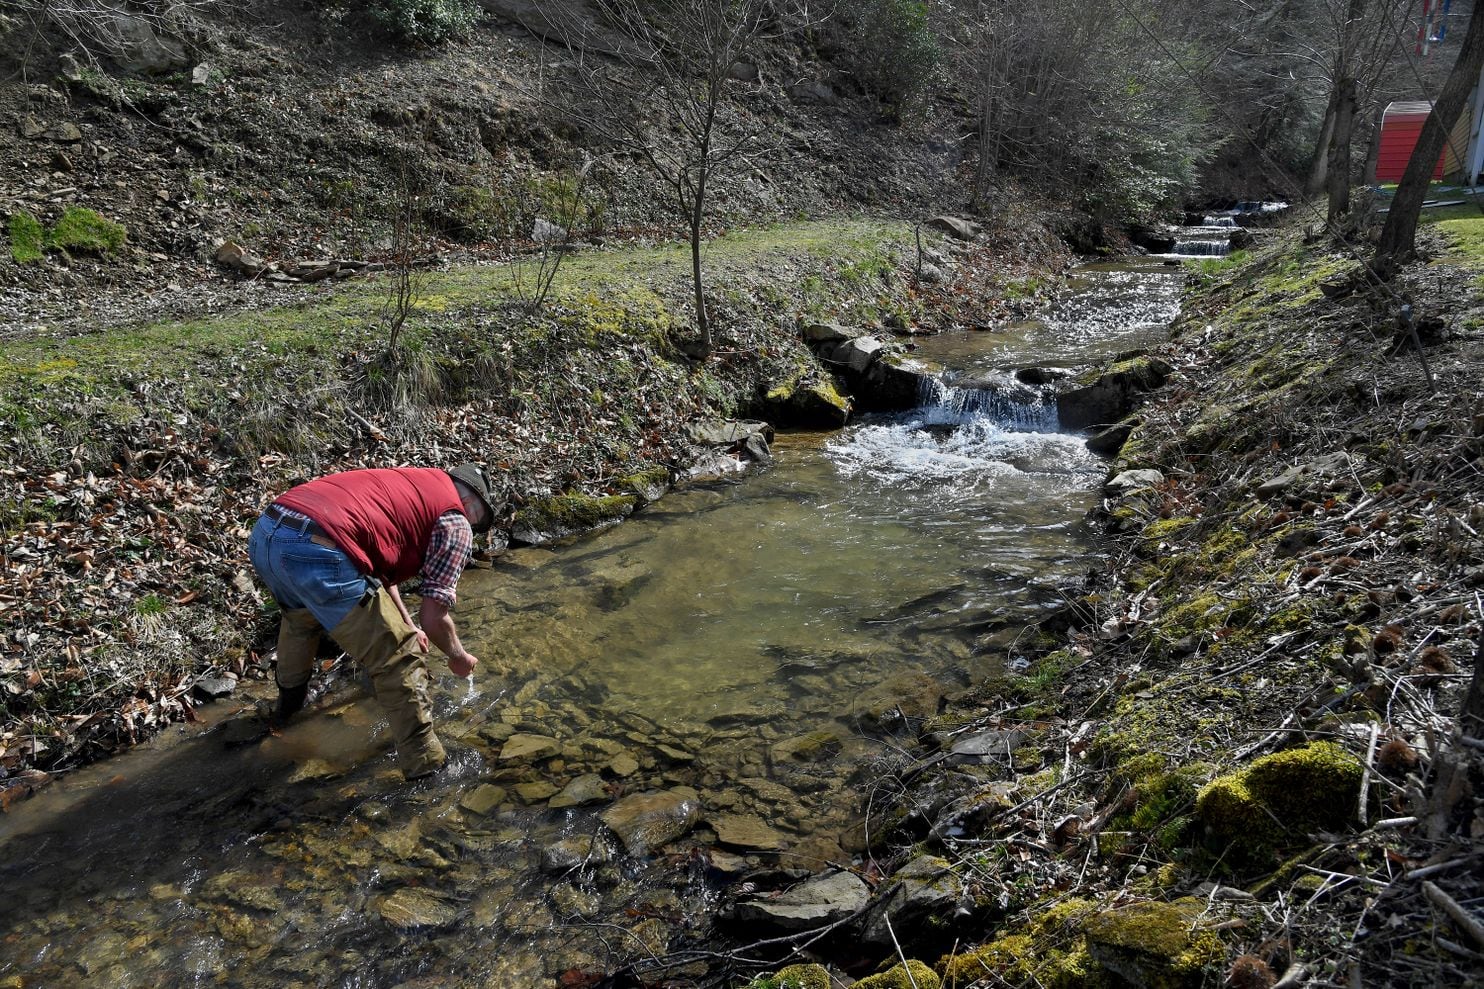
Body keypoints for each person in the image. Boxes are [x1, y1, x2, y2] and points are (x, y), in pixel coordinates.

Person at [246, 464, 495, 779]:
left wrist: (406, 623)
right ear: (471, 502)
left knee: (301, 622)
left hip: (267, 533)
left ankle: (288, 711)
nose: (473, 526)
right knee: (400, 656)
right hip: (318, 547)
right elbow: (433, 616)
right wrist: (457, 656)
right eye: (478, 520)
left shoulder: (414, 486)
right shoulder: (456, 522)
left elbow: (380, 573)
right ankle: (427, 768)